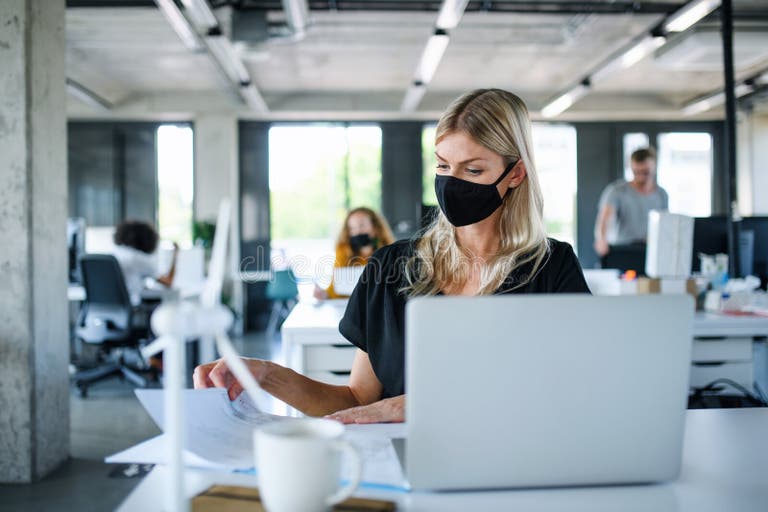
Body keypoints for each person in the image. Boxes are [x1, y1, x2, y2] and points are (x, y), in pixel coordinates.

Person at [194, 89, 589, 424]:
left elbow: (570, 398)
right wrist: (266, 375)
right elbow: (359, 402)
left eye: (472, 170)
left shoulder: (552, 269)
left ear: (515, 174)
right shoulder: (389, 267)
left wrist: (422, 407)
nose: (451, 183)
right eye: (443, 165)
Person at [593, 147, 669, 258]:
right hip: (623, 249)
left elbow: (665, 223)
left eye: (645, 172)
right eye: (636, 172)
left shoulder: (662, 194)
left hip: (651, 251)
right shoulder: (617, 191)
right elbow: (605, 219)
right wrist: (602, 239)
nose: (641, 177)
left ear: (654, 167)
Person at [313, 207, 396, 300]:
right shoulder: (343, 252)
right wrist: (323, 295)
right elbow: (335, 290)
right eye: (352, 228)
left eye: (362, 225)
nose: (357, 231)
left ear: (376, 227)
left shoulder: (390, 252)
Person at [112, 220, 178, 306]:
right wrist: (176, 255)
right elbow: (168, 282)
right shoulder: (138, 258)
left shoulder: (115, 252)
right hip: (130, 306)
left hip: (102, 308)